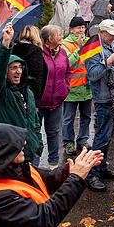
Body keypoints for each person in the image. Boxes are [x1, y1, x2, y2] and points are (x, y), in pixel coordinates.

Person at [0, 123, 104, 227]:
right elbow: (46, 217)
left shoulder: (12, 168)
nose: (24, 143)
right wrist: (76, 177)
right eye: (17, 144)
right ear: (2, 154)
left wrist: (71, 169)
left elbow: (48, 179)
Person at [0, 22, 44, 164]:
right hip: (8, 154)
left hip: (30, 154)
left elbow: (35, 121)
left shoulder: (27, 93)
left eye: (20, 67)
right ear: (5, 72)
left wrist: (38, 145)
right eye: (13, 68)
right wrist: (6, 43)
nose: (18, 71)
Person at [84, 18, 114, 191]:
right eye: (110, 34)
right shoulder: (93, 49)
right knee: (102, 136)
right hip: (103, 99)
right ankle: (91, 174)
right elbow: (92, 75)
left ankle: (101, 168)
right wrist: (108, 61)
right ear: (101, 33)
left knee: (108, 136)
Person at [38, 25, 71, 167]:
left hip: (57, 102)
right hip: (39, 104)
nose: (61, 36)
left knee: (53, 133)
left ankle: (53, 164)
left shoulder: (62, 52)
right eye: (58, 34)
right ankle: (33, 165)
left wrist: (65, 88)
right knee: (35, 134)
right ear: (49, 39)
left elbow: (68, 71)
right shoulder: (39, 53)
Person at [61, 17, 93, 157]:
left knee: (86, 116)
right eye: (78, 28)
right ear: (71, 30)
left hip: (87, 87)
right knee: (68, 118)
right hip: (71, 88)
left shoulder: (89, 41)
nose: (81, 30)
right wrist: (79, 49)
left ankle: (83, 139)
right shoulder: (64, 44)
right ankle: (68, 142)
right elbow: (68, 63)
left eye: (82, 27)